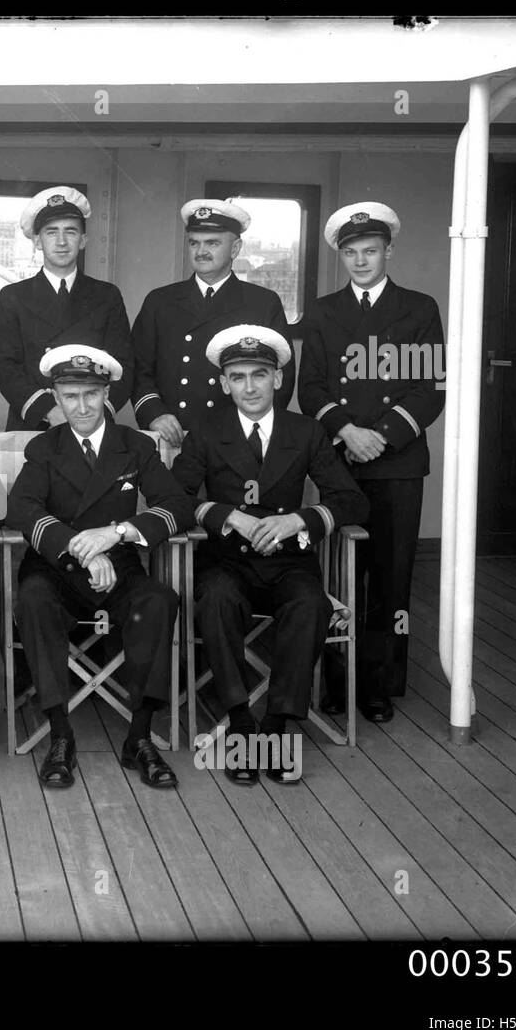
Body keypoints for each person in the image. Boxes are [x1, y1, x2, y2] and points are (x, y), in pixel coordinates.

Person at [171, 325, 368, 785]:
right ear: (223, 383)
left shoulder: (307, 431)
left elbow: (352, 501)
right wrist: (224, 514)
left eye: (259, 375)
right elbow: (173, 499)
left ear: (278, 379)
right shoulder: (206, 430)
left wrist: (298, 520)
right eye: (237, 377)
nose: (249, 387)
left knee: (310, 604)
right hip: (227, 560)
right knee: (216, 600)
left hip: (288, 560)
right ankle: (240, 721)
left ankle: (277, 725)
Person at [6, 344, 193, 789]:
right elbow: (22, 509)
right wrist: (79, 546)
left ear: (107, 393)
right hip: (57, 569)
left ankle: (140, 735)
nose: (82, 406)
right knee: (32, 600)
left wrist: (117, 534)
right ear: (56, 398)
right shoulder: (44, 446)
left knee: (159, 600)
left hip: (121, 568)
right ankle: (61, 733)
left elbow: (177, 506)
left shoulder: (135, 445)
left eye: (91, 394)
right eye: (70, 396)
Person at [297, 202, 445, 723]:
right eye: (352, 253)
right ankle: (338, 681)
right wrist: (345, 431)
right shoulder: (322, 310)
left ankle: (379, 684)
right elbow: (308, 385)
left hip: (397, 461)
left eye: (371, 251)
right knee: (339, 572)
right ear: (342, 256)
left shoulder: (419, 306)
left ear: (389, 251)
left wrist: (380, 436)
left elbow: (431, 389)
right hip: (338, 459)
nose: (361, 260)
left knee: (390, 575)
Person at [130, 198, 291, 450]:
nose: (201, 251)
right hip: (173, 435)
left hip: (236, 440)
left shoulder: (262, 303)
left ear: (236, 248)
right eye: (194, 243)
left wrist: (253, 429)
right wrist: (154, 414)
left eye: (212, 243)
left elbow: (282, 379)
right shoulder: (160, 301)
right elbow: (139, 369)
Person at [0, 186, 134, 430]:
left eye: (70, 232)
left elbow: (123, 365)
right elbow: (7, 368)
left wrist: (91, 413)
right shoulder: (13, 297)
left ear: (83, 241)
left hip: (91, 421)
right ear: (37, 241)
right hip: (34, 422)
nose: (61, 242)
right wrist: (49, 410)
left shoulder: (107, 296)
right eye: (51, 232)